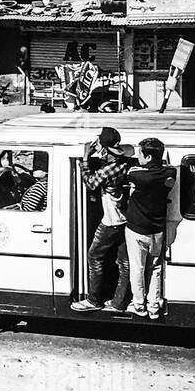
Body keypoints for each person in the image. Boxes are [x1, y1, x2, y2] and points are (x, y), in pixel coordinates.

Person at [73, 132, 136, 311]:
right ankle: (120, 301)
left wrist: (86, 158)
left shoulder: (108, 169)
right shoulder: (125, 164)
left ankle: (93, 300)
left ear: (104, 148)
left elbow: (90, 184)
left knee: (94, 256)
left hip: (111, 221)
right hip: (127, 221)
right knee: (124, 263)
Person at [124, 136, 176, 320]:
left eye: (140, 154)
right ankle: (154, 307)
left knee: (137, 269)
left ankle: (139, 305)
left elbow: (130, 173)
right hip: (157, 231)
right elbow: (168, 168)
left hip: (137, 230)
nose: (138, 157)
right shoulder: (170, 173)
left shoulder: (136, 175)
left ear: (148, 158)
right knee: (155, 268)